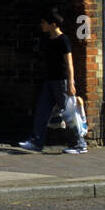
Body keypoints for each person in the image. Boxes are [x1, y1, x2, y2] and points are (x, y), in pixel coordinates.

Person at [17, 8, 87, 154]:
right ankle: (37, 142)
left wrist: (71, 83)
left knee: (69, 113)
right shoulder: (48, 40)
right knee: (42, 110)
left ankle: (80, 144)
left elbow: (69, 63)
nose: (42, 25)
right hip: (50, 81)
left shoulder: (63, 40)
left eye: (44, 22)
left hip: (62, 82)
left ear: (53, 24)